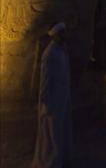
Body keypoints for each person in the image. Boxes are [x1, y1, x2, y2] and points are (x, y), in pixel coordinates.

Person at [32, 22, 72, 168]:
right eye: (62, 33)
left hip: (61, 97)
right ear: (56, 35)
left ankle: (60, 159)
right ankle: (50, 162)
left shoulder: (62, 49)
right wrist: (45, 101)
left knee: (60, 130)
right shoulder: (49, 54)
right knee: (51, 133)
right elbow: (45, 80)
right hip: (52, 100)